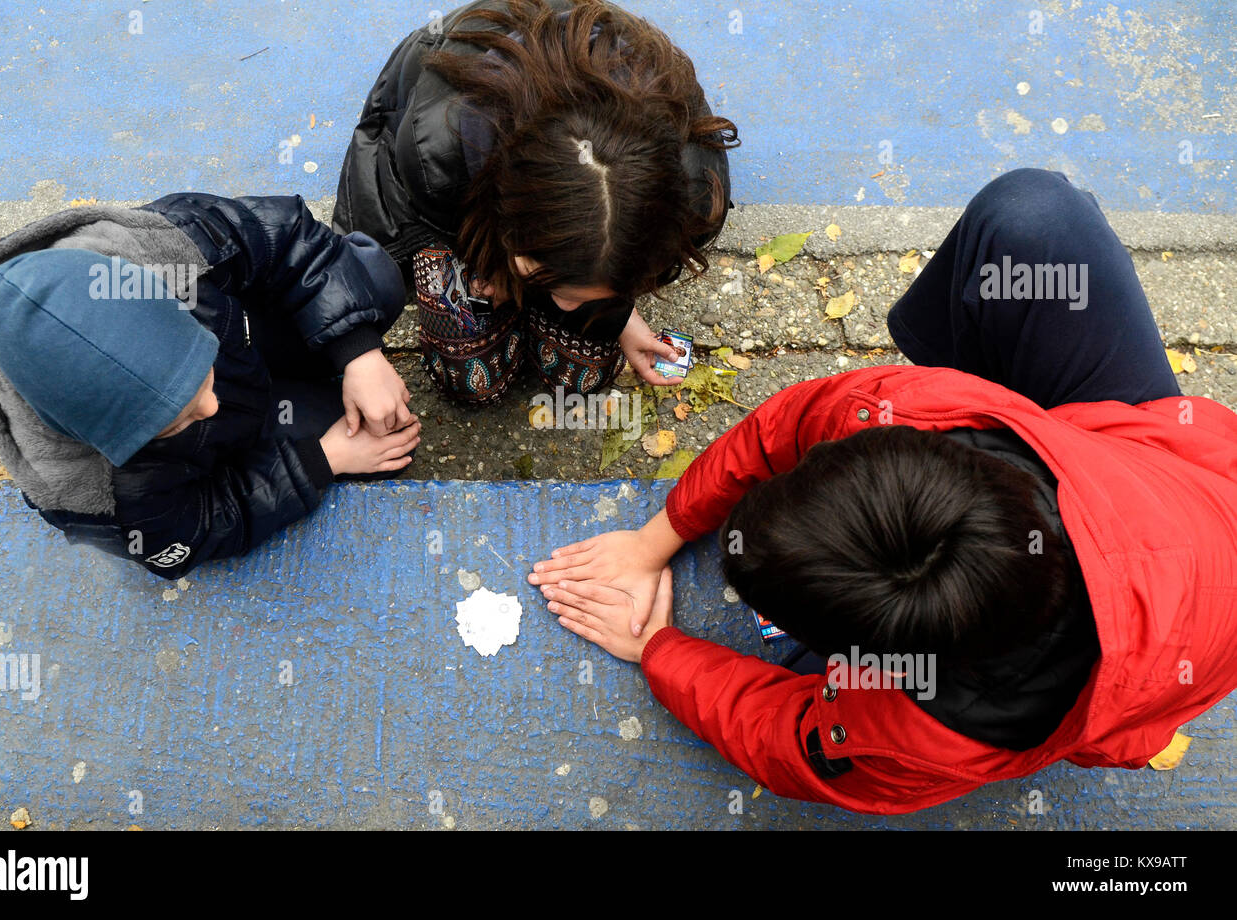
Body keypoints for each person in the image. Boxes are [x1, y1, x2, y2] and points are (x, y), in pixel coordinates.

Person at [530, 168, 1237, 814]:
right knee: (1031, 217)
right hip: (1153, 456)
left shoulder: (932, 730)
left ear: (885, 665)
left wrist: (660, 649)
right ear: (898, 452)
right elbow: (793, 423)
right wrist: (659, 537)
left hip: (1145, 628)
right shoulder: (933, 413)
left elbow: (789, 739)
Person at [0, 193, 418, 579]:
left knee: (374, 278)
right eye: (179, 419)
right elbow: (201, 528)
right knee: (383, 445)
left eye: (201, 367)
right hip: (233, 442)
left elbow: (285, 235)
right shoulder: (94, 493)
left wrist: (358, 351)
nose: (211, 405)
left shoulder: (167, 247)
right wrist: (322, 459)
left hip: (249, 340)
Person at [332, 0, 737, 404]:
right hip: (456, 138)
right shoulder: (433, 148)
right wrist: (357, 351)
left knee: (579, 379)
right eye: (550, 282)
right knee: (472, 380)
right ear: (510, 217)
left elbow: (604, 244)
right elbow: (365, 227)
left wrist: (621, 314)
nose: (563, 306)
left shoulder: (696, 195)